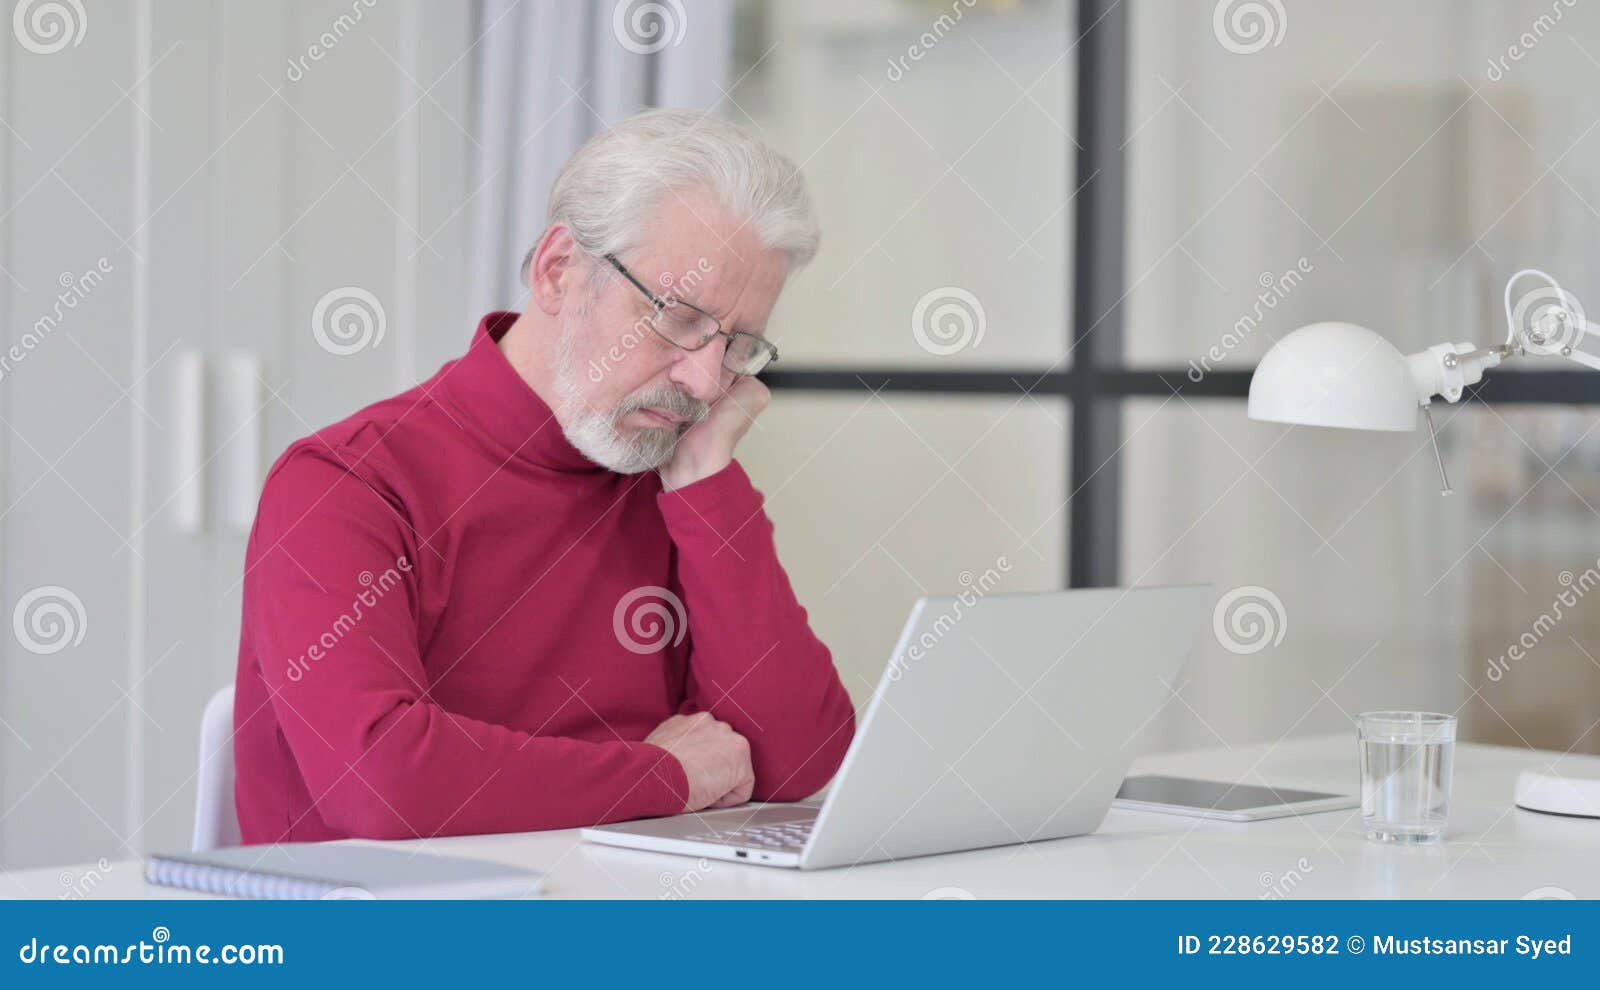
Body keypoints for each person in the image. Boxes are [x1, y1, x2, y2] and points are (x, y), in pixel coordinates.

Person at [232, 110, 855, 844]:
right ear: (560, 272)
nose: (705, 380)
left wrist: (708, 485)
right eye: (679, 320)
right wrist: (666, 775)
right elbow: (385, 788)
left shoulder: (671, 474)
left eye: (738, 345)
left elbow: (796, 758)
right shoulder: (346, 484)